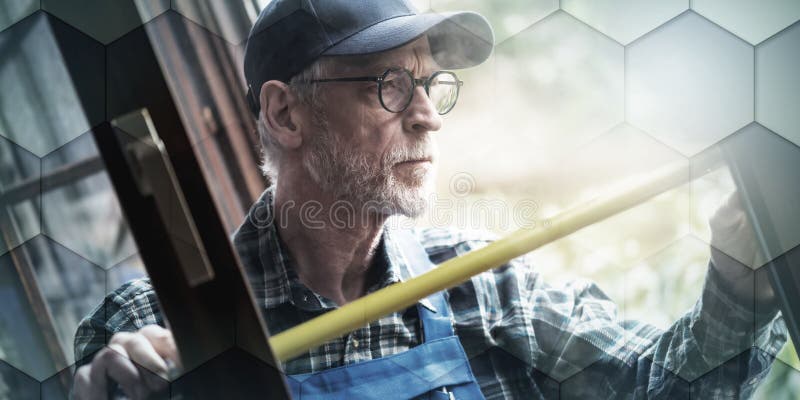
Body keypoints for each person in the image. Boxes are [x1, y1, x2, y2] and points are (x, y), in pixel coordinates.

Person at [72, 0, 786, 399]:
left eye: (431, 85)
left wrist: (742, 280)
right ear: (286, 114)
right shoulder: (160, 324)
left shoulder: (487, 287)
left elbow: (660, 388)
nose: (427, 116)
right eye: (389, 86)